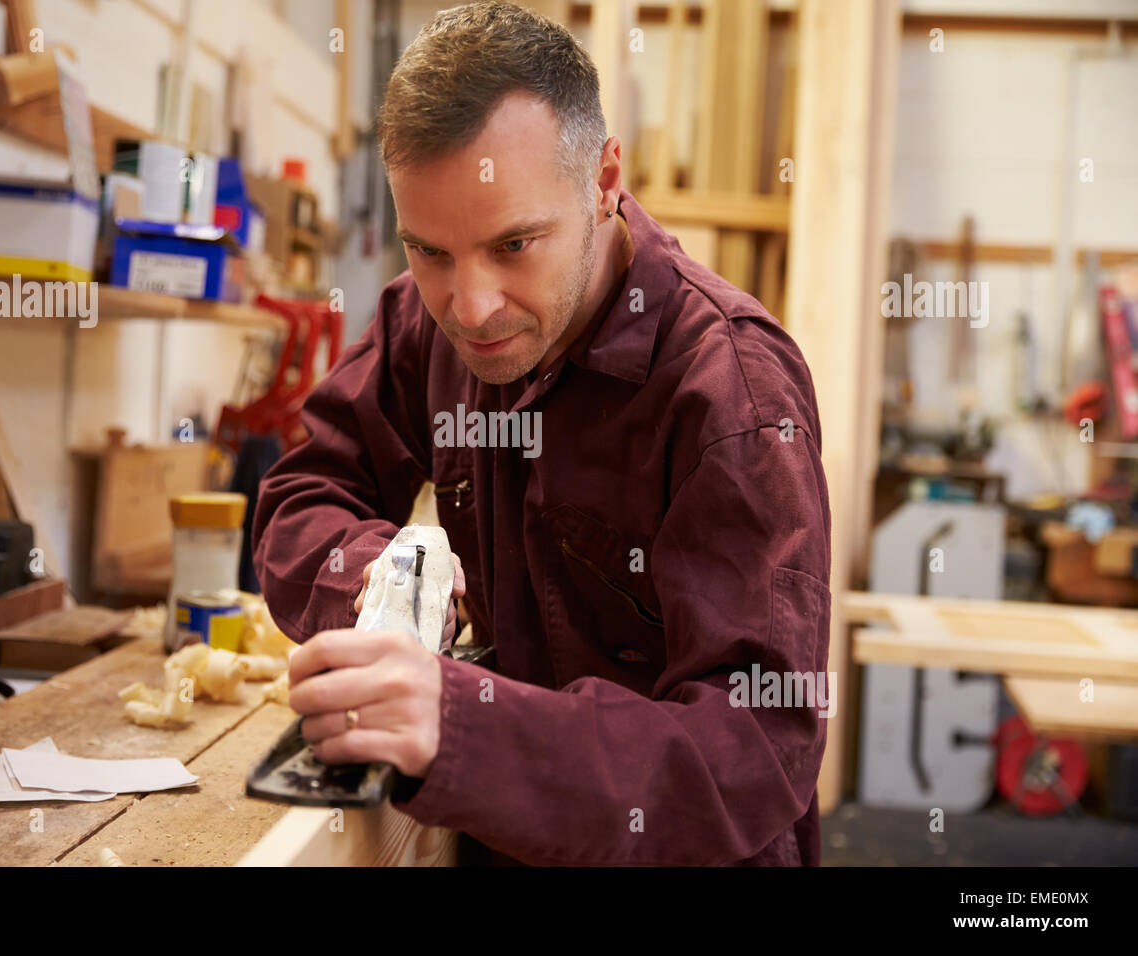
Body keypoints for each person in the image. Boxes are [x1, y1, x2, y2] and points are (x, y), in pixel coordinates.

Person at [251, 0, 831, 866]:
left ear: (603, 183)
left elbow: (751, 750)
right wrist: (387, 589)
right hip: (495, 838)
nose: (471, 307)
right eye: (429, 251)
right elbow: (303, 493)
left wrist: (464, 729)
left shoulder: (733, 393)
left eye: (514, 243)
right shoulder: (428, 321)